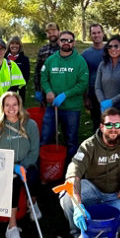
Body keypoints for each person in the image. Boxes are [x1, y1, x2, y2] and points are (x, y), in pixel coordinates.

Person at [58, 107, 120, 238]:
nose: (113, 129)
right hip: (93, 189)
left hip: (117, 194)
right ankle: (77, 233)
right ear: (101, 126)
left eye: (117, 125)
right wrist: (77, 205)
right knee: (67, 195)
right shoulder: (89, 146)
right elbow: (74, 171)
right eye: (109, 125)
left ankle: (104, 222)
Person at [0, 92, 41, 238]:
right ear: (2, 108)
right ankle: (12, 226)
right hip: (5, 168)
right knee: (14, 182)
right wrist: (12, 167)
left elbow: (34, 151)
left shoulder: (30, 125)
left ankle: (33, 203)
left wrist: (23, 165)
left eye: (14, 105)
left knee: (33, 177)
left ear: (20, 106)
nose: (11, 108)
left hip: (27, 164)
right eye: (7, 105)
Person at [40, 30, 88, 162]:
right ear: (59, 42)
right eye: (63, 40)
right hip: (52, 107)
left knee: (71, 141)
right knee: (46, 138)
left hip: (72, 108)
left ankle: (69, 170)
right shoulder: (51, 60)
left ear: (74, 43)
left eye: (69, 40)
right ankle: (46, 167)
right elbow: (43, 77)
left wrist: (65, 95)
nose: (66, 43)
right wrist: (48, 91)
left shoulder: (80, 61)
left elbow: (83, 84)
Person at [95, 35, 120, 116]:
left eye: (116, 46)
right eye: (110, 47)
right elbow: (97, 87)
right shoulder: (102, 64)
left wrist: (112, 102)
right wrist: (102, 102)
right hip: (104, 109)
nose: (113, 49)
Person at [82, 23, 107, 128]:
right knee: (97, 123)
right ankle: (98, 143)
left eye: (98, 32)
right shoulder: (85, 55)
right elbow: (82, 78)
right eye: (94, 33)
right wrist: (85, 98)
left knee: (112, 122)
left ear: (103, 33)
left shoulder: (111, 50)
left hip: (111, 92)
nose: (96, 35)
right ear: (90, 35)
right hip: (93, 94)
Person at [34, 22, 60, 103]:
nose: (52, 34)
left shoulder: (65, 48)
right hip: (46, 90)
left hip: (63, 89)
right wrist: (38, 89)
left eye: (54, 31)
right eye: (49, 32)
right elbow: (38, 71)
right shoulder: (43, 50)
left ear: (59, 32)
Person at [7, 36, 31, 103]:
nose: (14, 46)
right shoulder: (3, 58)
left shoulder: (24, 59)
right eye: (12, 43)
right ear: (9, 45)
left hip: (19, 91)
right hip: (4, 90)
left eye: (17, 44)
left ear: (20, 46)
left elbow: (26, 77)